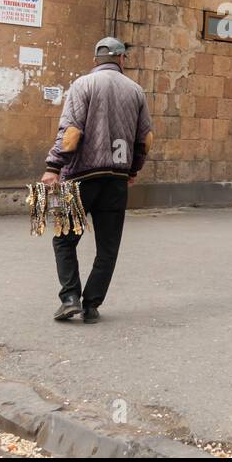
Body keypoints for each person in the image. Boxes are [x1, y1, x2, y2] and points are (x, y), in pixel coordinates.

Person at [41, 37, 153, 324]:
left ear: (96, 60)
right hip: (115, 180)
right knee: (108, 247)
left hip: (80, 177)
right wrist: (132, 171)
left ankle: (69, 298)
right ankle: (91, 305)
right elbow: (145, 140)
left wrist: (53, 166)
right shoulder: (137, 91)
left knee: (64, 241)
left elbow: (71, 132)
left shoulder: (83, 85)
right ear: (122, 60)